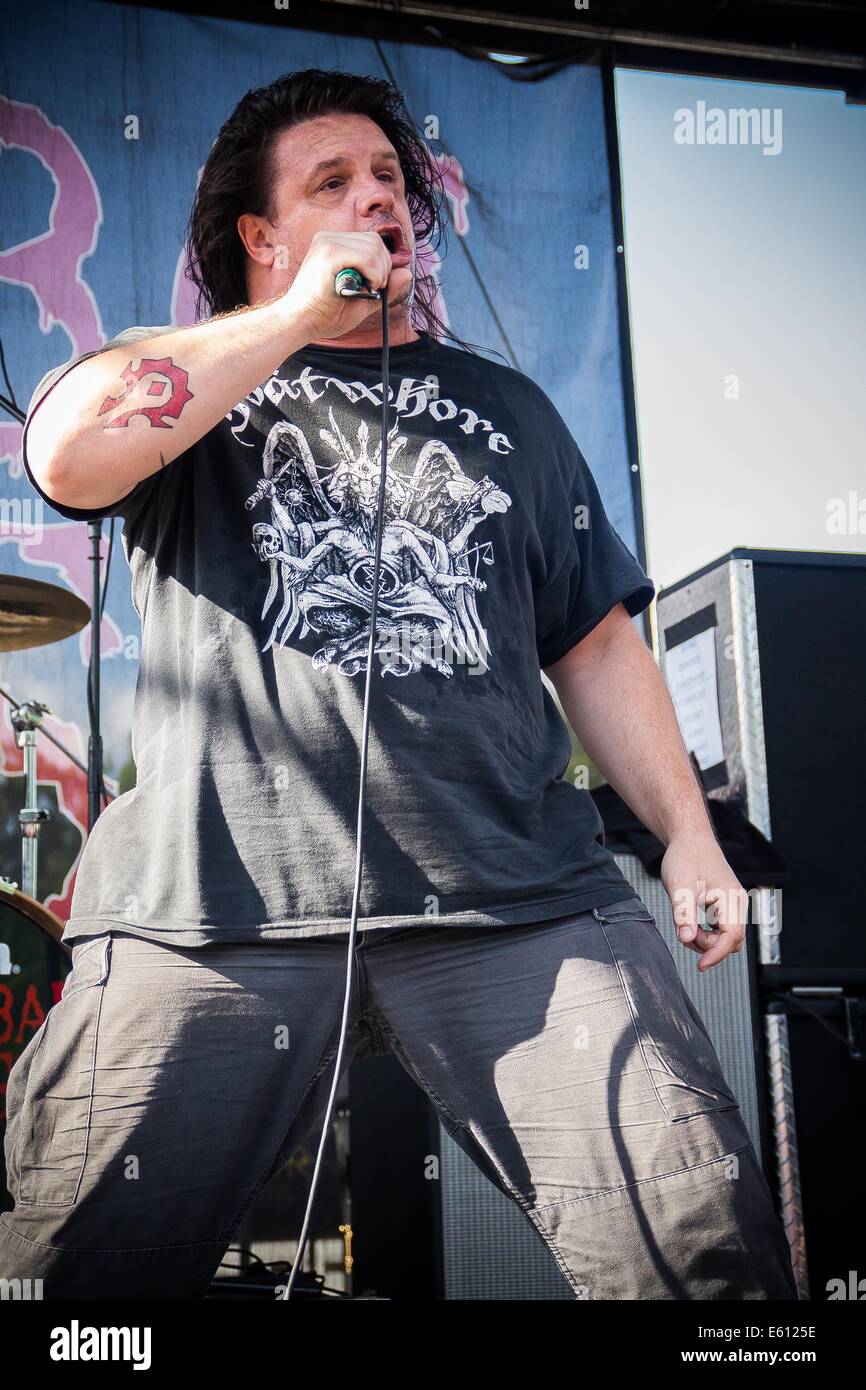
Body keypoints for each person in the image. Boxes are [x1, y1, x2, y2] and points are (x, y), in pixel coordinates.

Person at [1, 68, 797, 1301]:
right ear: (258, 238)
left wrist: (690, 837)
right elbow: (64, 448)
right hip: (209, 908)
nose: (378, 199)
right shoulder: (189, 379)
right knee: (70, 1285)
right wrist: (293, 315)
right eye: (333, 184)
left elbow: (591, 645)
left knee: (707, 1265)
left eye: (389, 181)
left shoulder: (514, 411)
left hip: (515, 898)